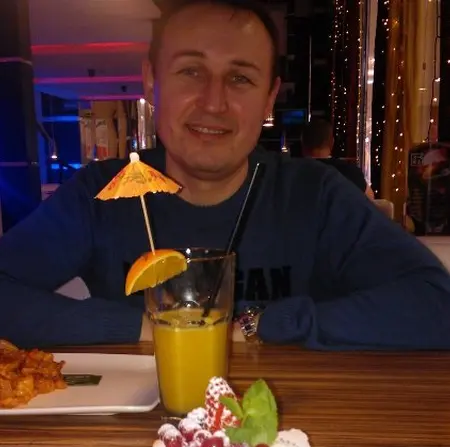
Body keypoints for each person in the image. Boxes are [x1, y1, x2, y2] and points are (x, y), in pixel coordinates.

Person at [1, 0, 450, 350]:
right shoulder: (101, 194)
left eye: (240, 79)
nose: (213, 102)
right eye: (191, 71)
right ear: (151, 82)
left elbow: (436, 303)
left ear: (269, 97)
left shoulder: (315, 195)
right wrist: (141, 327)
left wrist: (262, 326)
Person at [301, 118, 375, 199]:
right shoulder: (349, 172)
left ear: (303, 144)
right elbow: (370, 199)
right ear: (332, 142)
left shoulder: (292, 172)